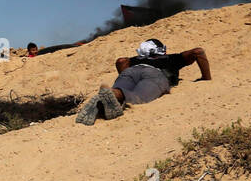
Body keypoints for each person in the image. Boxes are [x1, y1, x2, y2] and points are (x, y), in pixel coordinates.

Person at [75, 38, 211, 125]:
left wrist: (128, 78)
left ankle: (112, 94)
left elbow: (121, 61)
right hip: (155, 75)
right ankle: (119, 95)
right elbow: (198, 52)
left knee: (122, 89)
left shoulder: (135, 60)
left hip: (131, 71)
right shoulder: (170, 59)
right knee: (138, 97)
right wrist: (206, 78)